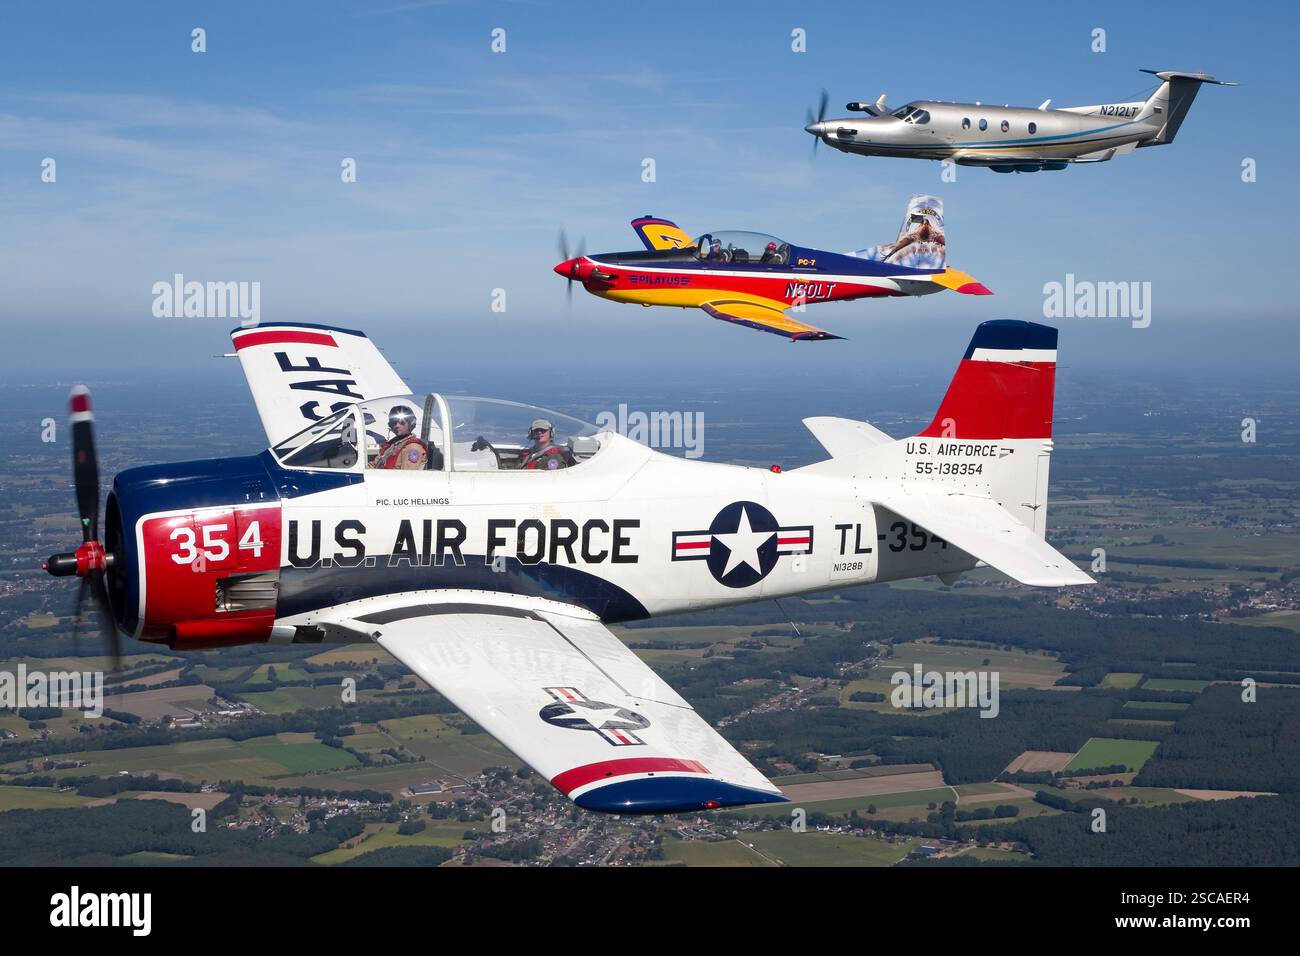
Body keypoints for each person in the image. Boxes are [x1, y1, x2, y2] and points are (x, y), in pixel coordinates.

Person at [373, 405, 429, 470]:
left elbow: (406, 477)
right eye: (394, 422)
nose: (397, 425)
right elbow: (374, 464)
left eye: (402, 422)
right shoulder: (392, 445)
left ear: (410, 423)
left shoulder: (412, 448)